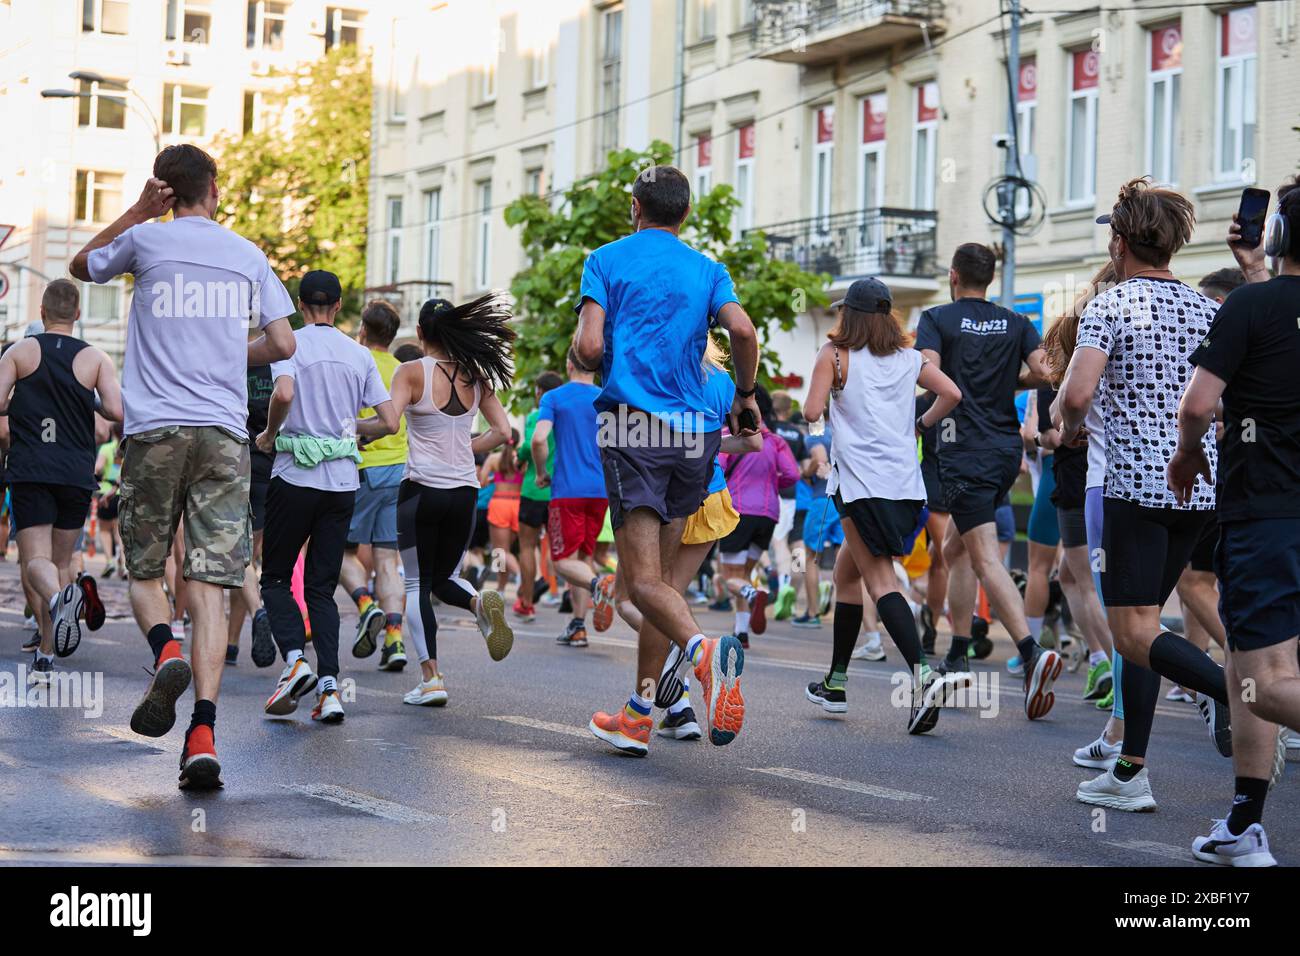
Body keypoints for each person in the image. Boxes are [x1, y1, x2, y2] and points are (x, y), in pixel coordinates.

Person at [72, 144, 297, 790]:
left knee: (145, 569)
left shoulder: (146, 241)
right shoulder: (247, 254)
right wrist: (233, 351)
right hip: (225, 436)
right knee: (212, 587)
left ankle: (163, 650)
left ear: (165, 191)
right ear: (215, 188)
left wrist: (136, 213)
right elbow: (283, 342)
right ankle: (202, 735)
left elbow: (81, 266)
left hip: (154, 431)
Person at [575, 164, 761, 755]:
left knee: (642, 581)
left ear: (636, 207)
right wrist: (749, 395)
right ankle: (637, 716)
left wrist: (599, 349)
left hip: (633, 427)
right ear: (685, 214)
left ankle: (704, 655)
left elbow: (589, 346)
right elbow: (745, 332)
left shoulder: (605, 260)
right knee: (663, 588)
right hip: (694, 440)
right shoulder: (708, 270)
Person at [1060, 178, 1229, 812]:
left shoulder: (1111, 303)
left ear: (1120, 239)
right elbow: (1219, 399)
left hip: (1132, 486)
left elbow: (1076, 397)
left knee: (1132, 634)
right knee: (1146, 628)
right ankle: (1131, 771)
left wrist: (1070, 429)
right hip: (1196, 488)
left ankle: (1237, 695)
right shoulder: (1208, 308)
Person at [1168, 177, 1300, 865]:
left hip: (1267, 512)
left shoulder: (1248, 307)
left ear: (1278, 237)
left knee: (1267, 679)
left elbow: (1197, 404)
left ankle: (1246, 824)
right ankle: (1245, 822)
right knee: (1245, 676)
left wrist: (1188, 456)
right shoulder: (1259, 300)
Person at [801, 279, 964, 733]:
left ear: (848, 315)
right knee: (846, 574)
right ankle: (835, 682)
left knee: (878, 578)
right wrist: (919, 423)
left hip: (859, 486)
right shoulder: (911, 360)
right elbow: (952, 394)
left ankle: (923, 675)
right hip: (905, 488)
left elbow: (813, 411)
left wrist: (817, 410)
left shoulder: (835, 355)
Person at [914, 242, 1060, 718]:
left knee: (981, 555)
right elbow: (1045, 372)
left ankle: (1030, 651)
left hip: (963, 450)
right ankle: (957, 654)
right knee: (952, 550)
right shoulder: (1017, 322)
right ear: (990, 278)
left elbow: (930, 374)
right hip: (1005, 451)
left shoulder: (938, 318)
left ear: (954, 276)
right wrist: (1004, 382)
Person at [258, 271, 399, 724]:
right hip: (342, 481)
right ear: (339, 307)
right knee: (322, 586)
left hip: (295, 474)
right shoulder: (359, 354)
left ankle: (295, 660)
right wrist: (353, 434)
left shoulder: (289, 345)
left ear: (301, 306)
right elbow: (391, 421)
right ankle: (330, 689)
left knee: (277, 578)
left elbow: (283, 392)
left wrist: (269, 433)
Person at [385, 295, 516, 707]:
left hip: (421, 491)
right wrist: (465, 445)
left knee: (415, 584)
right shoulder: (475, 376)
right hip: (463, 492)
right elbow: (504, 432)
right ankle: (478, 602)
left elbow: (389, 423)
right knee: (441, 579)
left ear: (421, 333)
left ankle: (431, 678)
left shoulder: (410, 372)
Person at [0, 279, 121, 682]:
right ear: (79, 314)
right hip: (75, 471)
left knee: (35, 561)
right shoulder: (95, 358)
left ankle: (56, 600)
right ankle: (47, 656)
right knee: (61, 561)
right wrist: (87, 398)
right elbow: (117, 411)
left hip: (31, 468)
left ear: (41, 311)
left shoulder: (19, 352)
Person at [340, 299, 410, 671]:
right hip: (398, 471)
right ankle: (395, 640)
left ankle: (367, 606)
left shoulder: (355, 362)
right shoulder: (402, 370)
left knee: (338, 550)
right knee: (387, 559)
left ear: (363, 331)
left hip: (361, 469)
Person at [530, 349, 607, 647]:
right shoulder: (606, 399)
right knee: (584, 558)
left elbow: (538, 439)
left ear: (569, 363)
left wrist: (540, 471)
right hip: (600, 491)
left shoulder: (555, 397)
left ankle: (600, 585)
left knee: (562, 561)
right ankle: (578, 626)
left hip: (568, 490)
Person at [715, 385, 799, 648]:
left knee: (730, 576)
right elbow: (792, 475)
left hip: (738, 511)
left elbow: (717, 466)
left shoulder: (731, 436)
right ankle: (742, 633)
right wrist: (772, 482)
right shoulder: (775, 441)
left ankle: (754, 594)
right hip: (768, 515)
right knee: (744, 573)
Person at [226, 341, 276, 668]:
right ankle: (231, 644)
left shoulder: (229, 357)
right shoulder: (279, 363)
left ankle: (258, 611)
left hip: (232, 462)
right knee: (250, 556)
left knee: (237, 556)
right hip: (268, 466)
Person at [515, 371, 564, 621]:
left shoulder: (537, 416)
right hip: (560, 491)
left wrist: (519, 457)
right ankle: (575, 604)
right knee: (564, 551)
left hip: (534, 489)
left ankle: (526, 601)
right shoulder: (567, 418)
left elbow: (529, 445)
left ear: (540, 392)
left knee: (526, 546)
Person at [768, 390, 806, 620]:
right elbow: (803, 464)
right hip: (794, 492)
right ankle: (795, 582)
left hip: (774, 489)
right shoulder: (797, 433)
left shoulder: (770, 430)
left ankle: (783, 587)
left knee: (778, 541)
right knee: (797, 545)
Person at [479, 429, 523, 593]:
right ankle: (501, 589)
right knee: (505, 551)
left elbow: (481, 482)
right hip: (517, 505)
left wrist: (492, 479)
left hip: (499, 505)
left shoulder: (493, 458)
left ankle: (519, 576)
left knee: (499, 551)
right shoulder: (521, 460)